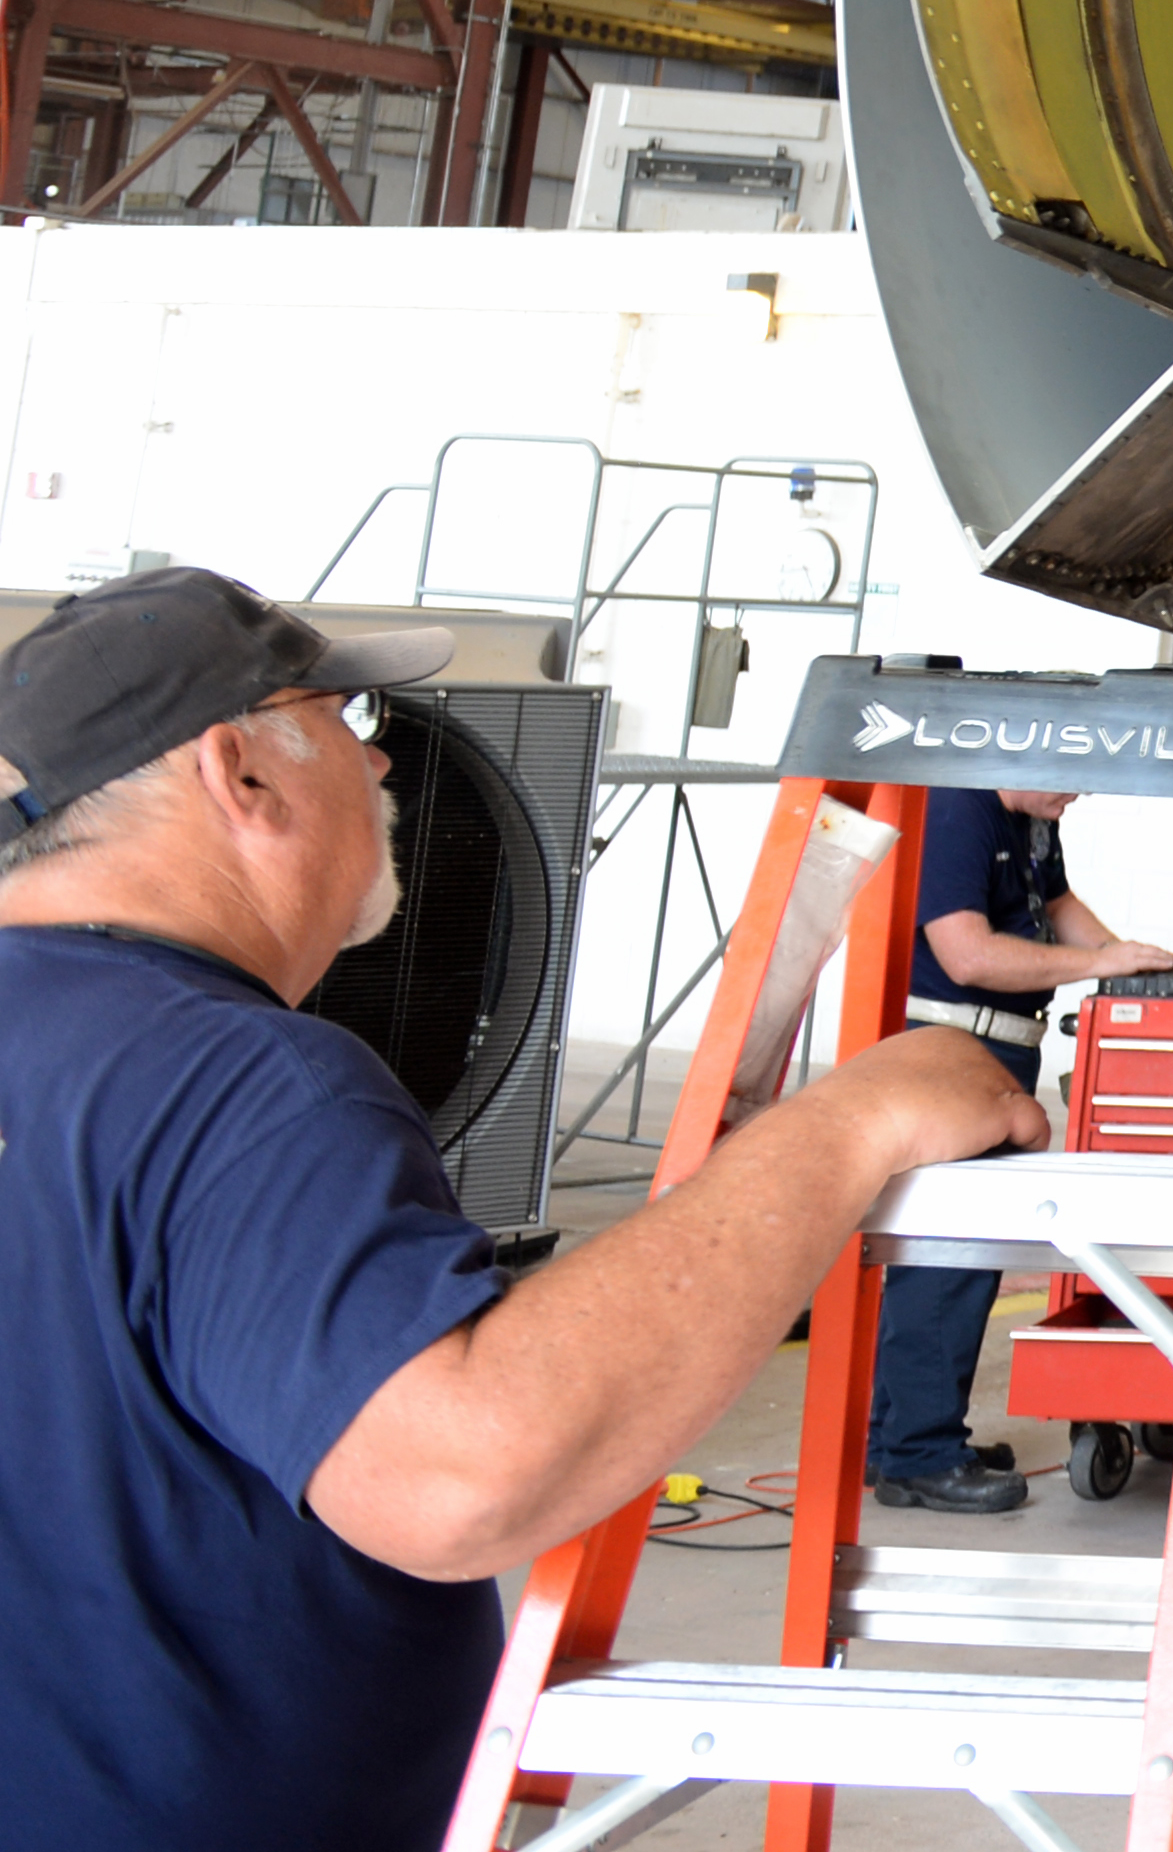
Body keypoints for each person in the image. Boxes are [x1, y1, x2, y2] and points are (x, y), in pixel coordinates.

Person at [0, 566, 1044, 1852]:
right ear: (240, 774)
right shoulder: (239, 1087)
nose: (383, 772)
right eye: (353, 723)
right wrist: (852, 1123)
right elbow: (463, 1476)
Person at [869, 777, 1173, 1511]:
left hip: (999, 1051)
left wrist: (1126, 954)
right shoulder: (958, 808)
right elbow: (968, 955)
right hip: (949, 1048)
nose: (1079, 794)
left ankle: (900, 1442)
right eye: (1069, 776)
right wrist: (1098, 965)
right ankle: (919, 1455)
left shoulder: (1031, 815)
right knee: (948, 1256)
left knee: (961, 1260)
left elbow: (1059, 903)